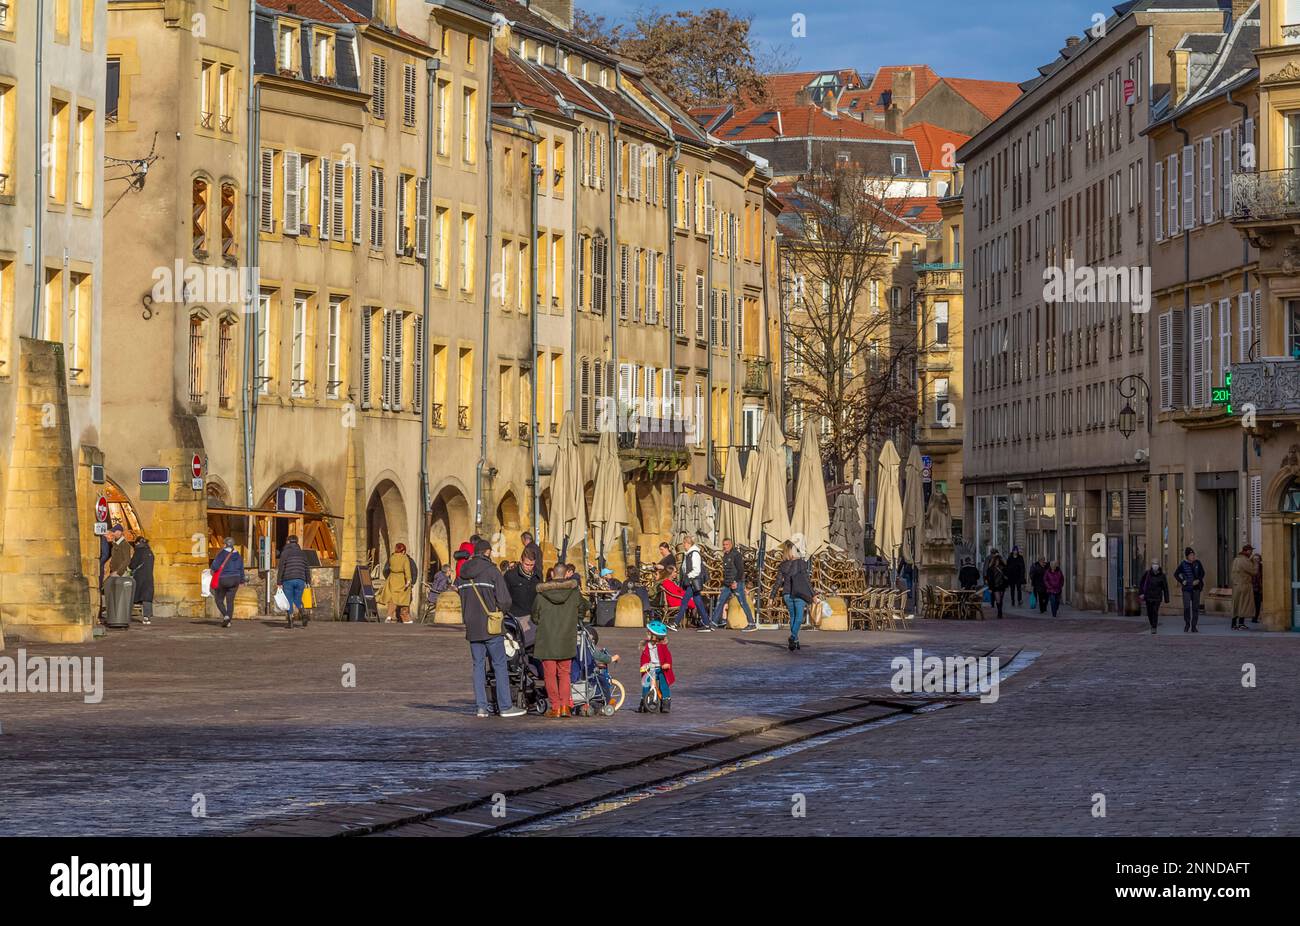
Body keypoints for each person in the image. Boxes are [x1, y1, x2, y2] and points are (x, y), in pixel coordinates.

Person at [457, 538, 525, 718]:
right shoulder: (492, 572)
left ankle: (481, 707)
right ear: (487, 552)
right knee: (499, 664)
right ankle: (505, 706)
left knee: (477, 666)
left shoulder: (462, 574)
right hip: (491, 625)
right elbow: (505, 600)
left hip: (472, 625)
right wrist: (500, 610)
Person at [532, 564, 585, 718]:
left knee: (549, 674)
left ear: (553, 574)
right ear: (565, 575)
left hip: (547, 638)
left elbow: (535, 616)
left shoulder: (542, 594)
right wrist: (574, 620)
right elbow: (583, 608)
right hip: (566, 637)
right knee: (565, 673)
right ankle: (565, 707)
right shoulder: (574, 593)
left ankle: (555, 707)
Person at [772, 540, 814, 651]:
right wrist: (813, 595)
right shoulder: (801, 563)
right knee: (799, 618)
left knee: (793, 618)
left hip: (787, 594)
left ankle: (795, 640)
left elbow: (777, 582)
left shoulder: (782, 565)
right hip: (799, 594)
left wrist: (771, 597)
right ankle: (792, 637)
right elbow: (806, 580)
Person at [712, 537, 756, 631]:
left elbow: (740, 570)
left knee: (743, 602)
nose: (725, 546)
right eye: (724, 545)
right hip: (727, 584)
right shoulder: (725, 555)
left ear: (731, 545)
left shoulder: (736, 555)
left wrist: (736, 581)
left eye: (727, 544)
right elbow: (727, 571)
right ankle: (713, 623)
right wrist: (726, 582)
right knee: (720, 602)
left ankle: (752, 623)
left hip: (737, 583)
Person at [638, 621, 675, 714]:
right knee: (646, 684)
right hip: (650, 668)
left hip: (661, 668)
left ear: (656, 636)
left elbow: (668, 657)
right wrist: (644, 666)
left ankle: (665, 701)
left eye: (649, 633)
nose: (647, 634)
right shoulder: (647, 647)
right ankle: (644, 702)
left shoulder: (662, 647)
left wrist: (667, 664)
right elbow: (643, 658)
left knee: (664, 684)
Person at [676, 536, 711, 631]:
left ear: (688, 543)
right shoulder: (688, 554)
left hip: (693, 581)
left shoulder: (694, 554)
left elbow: (697, 570)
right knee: (698, 602)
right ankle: (707, 624)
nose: (683, 545)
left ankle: (675, 623)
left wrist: (688, 576)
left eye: (684, 543)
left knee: (684, 602)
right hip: (691, 581)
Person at [210, 537, 245, 628]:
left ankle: (226, 616)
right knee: (230, 601)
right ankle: (228, 620)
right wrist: (242, 580)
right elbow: (241, 569)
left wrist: (212, 570)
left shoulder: (222, 554)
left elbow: (215, 566)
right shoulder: (238, 555)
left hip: (224, 578)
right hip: (235, 579)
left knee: (219, 600)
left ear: (225, 544)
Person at [277, 535, 311, 628]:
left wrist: (279, 582)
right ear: (297, 542)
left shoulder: (285, 553)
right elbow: (306, 568)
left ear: (288, 541)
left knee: (289, 600)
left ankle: (290, 621)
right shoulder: (302, 553)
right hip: (300, 579)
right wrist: (308, 581)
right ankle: (303, 612)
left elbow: (281, 568)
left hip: (288, 579)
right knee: (298, 599)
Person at [378, 542, 415, 623]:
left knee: (393, 599)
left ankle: (389, 616)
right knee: (404, 600)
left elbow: (387, 569)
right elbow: (407, 570)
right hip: (401, 579)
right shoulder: (404, 558)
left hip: (392, 579)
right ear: (403, 550)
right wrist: (408, 580)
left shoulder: (392, 557)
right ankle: (405, 618)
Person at [1173, 546, 1206, 633]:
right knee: (1187, 607)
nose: (1193, 556)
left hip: (1196, 589)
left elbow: (1202, 573)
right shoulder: (1183, 564)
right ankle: (1187, 624)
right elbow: (1176, 574)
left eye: (1193, 554)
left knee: (1195, 608)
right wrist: (1182, 581)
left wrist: (1198, 580)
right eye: (1191, 555)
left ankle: (1194, 626)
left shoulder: (1197, 563)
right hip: (1186, 589)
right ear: (1187, 556)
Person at [1230, 544, 1259, 631]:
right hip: (1244, 585)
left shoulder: (1236, 559)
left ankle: (1234, 624)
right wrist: (1256, 562)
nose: (1251, 552)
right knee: (1243, 605)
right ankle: (1240, 624)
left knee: (1236, 605)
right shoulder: (1244, 560)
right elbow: (1254, 571)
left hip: (1236, 586)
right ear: (1247, 551)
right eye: (1251, 551)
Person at [129, 535, 155, 625]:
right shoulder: (150, 551)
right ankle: (147, 617)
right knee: (147, 597)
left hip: (139, 577)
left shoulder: (138, 551)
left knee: (132, 595)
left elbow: (132, 565)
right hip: (149, 577)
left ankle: (126, 615)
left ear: (138, 543)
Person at [1138, 561, 1169, 634]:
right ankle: (1152, 624)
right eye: (1154, 564)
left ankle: (1154, 627)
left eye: (1156, 564)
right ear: (1151, 565)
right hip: (1148, 596)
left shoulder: (1162, 575)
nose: (1155, 565)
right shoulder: (1147, 573)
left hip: (1157, 597)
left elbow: (1165, 587)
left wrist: (1167, 598)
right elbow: (1142, 583)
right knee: (1149, 612)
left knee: (1155, 611)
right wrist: (1141, 593)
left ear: (1159, 565)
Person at [983, 549, 1008, 619]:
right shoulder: (991, 569)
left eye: (998, 560)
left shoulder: (1003, 568)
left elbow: (1007, 576)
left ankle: (1000, 611)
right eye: (996, 560)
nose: (997, 562)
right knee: (998, 599)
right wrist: (990, 587)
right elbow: (989, 578)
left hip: (1002, 585)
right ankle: (999, 612)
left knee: (1001, 599)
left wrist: (1006, 584)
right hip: (995, 586)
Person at [1252, 553, 1263, 624]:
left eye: (1258, 559)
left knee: (1258, 604)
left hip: (1259, 588)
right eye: (1255, 559)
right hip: (1252, 588)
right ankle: (1253, 617)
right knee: (1253, 604)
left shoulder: (1261, 567)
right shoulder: (1251, 566)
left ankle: (1255, 617)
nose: (1256, 560)